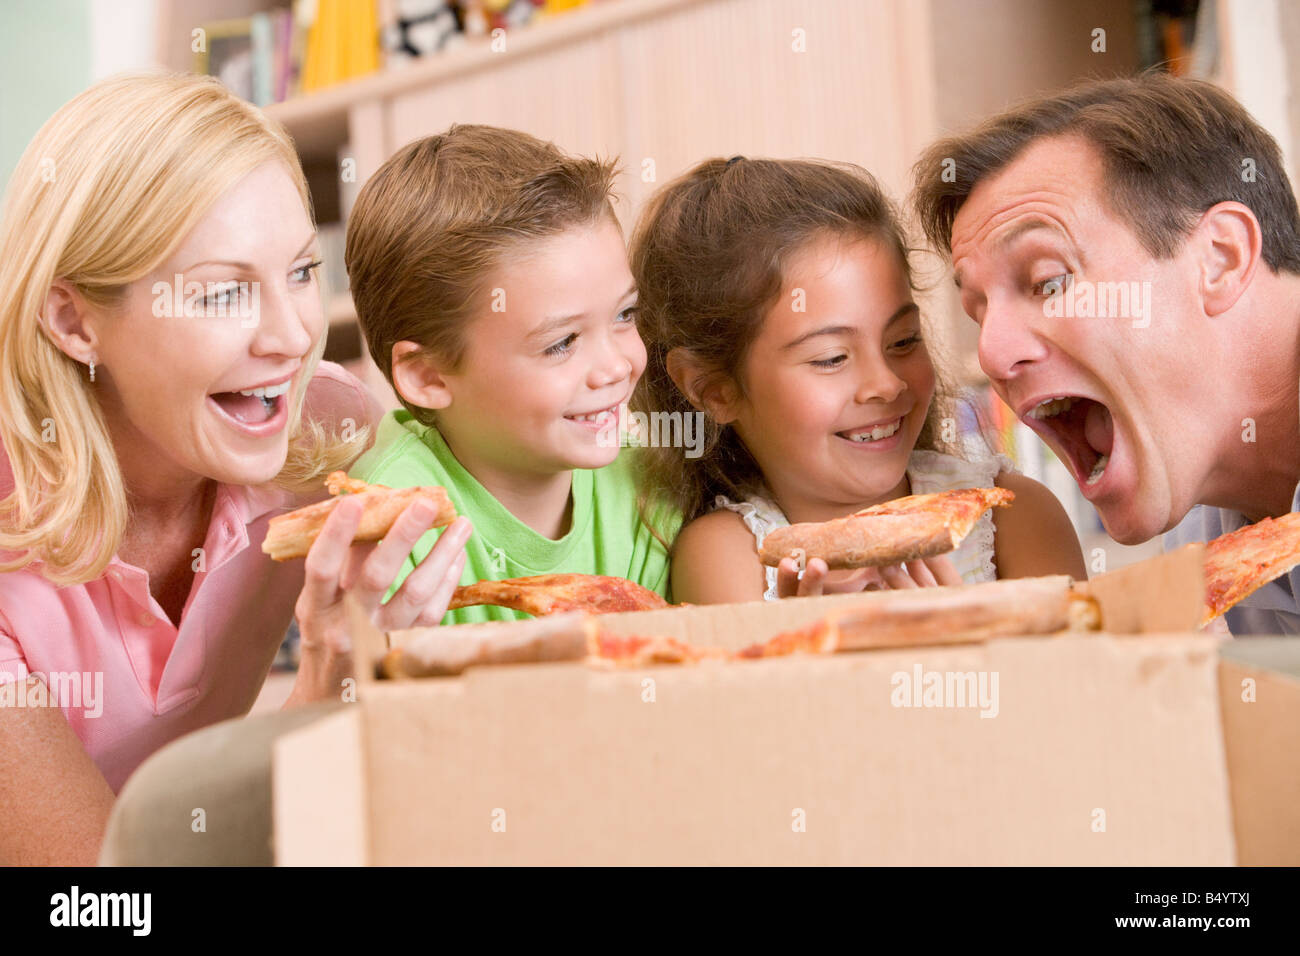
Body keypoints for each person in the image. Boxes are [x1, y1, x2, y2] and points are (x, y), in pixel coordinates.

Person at [0, 71, 469, 865]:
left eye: (299, 272)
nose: (289, 337)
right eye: (223, 295)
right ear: (74, 320)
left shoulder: (323, 434)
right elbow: (101, 908)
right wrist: (326, 681)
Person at [912, 73, 1300, 634]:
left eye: (1048, 280)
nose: (992, 356)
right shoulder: (1203, 526)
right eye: (978, 312)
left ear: (1221, 257)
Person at [630, 157, 1086, 604]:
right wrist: (804, 648)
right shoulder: (728, 556)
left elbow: (1077, 676)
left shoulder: (1012, 515)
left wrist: (957, 641)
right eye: (831, 359)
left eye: (904, 341)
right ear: (715, 390)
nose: (885, 384)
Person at [345, 125, 680, 625]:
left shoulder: (647, 488)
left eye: (625, 315)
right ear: (429, 376)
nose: (616, 367)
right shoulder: (389, 522)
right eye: (562, 343)